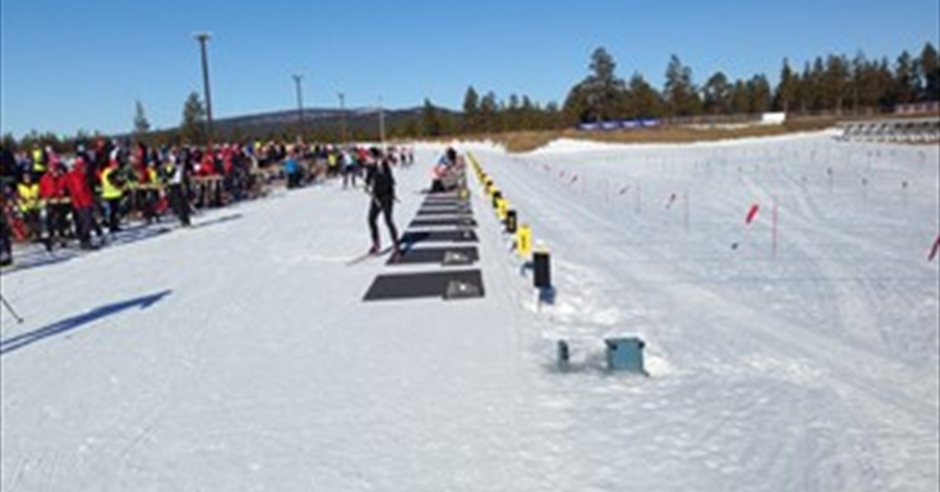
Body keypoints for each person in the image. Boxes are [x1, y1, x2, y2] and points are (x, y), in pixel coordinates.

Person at [363, 147, 399, 254]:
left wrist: (382, 163)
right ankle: (376, 243)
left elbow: (389, 180)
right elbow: (368, 178)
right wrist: (367, 185)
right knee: (371, 219)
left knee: (388, 220)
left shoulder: (383, 165)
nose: (368, 159)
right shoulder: (371, 166)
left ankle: (396, 245)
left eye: (369, 156)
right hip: (377, 196)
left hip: (387, 196)